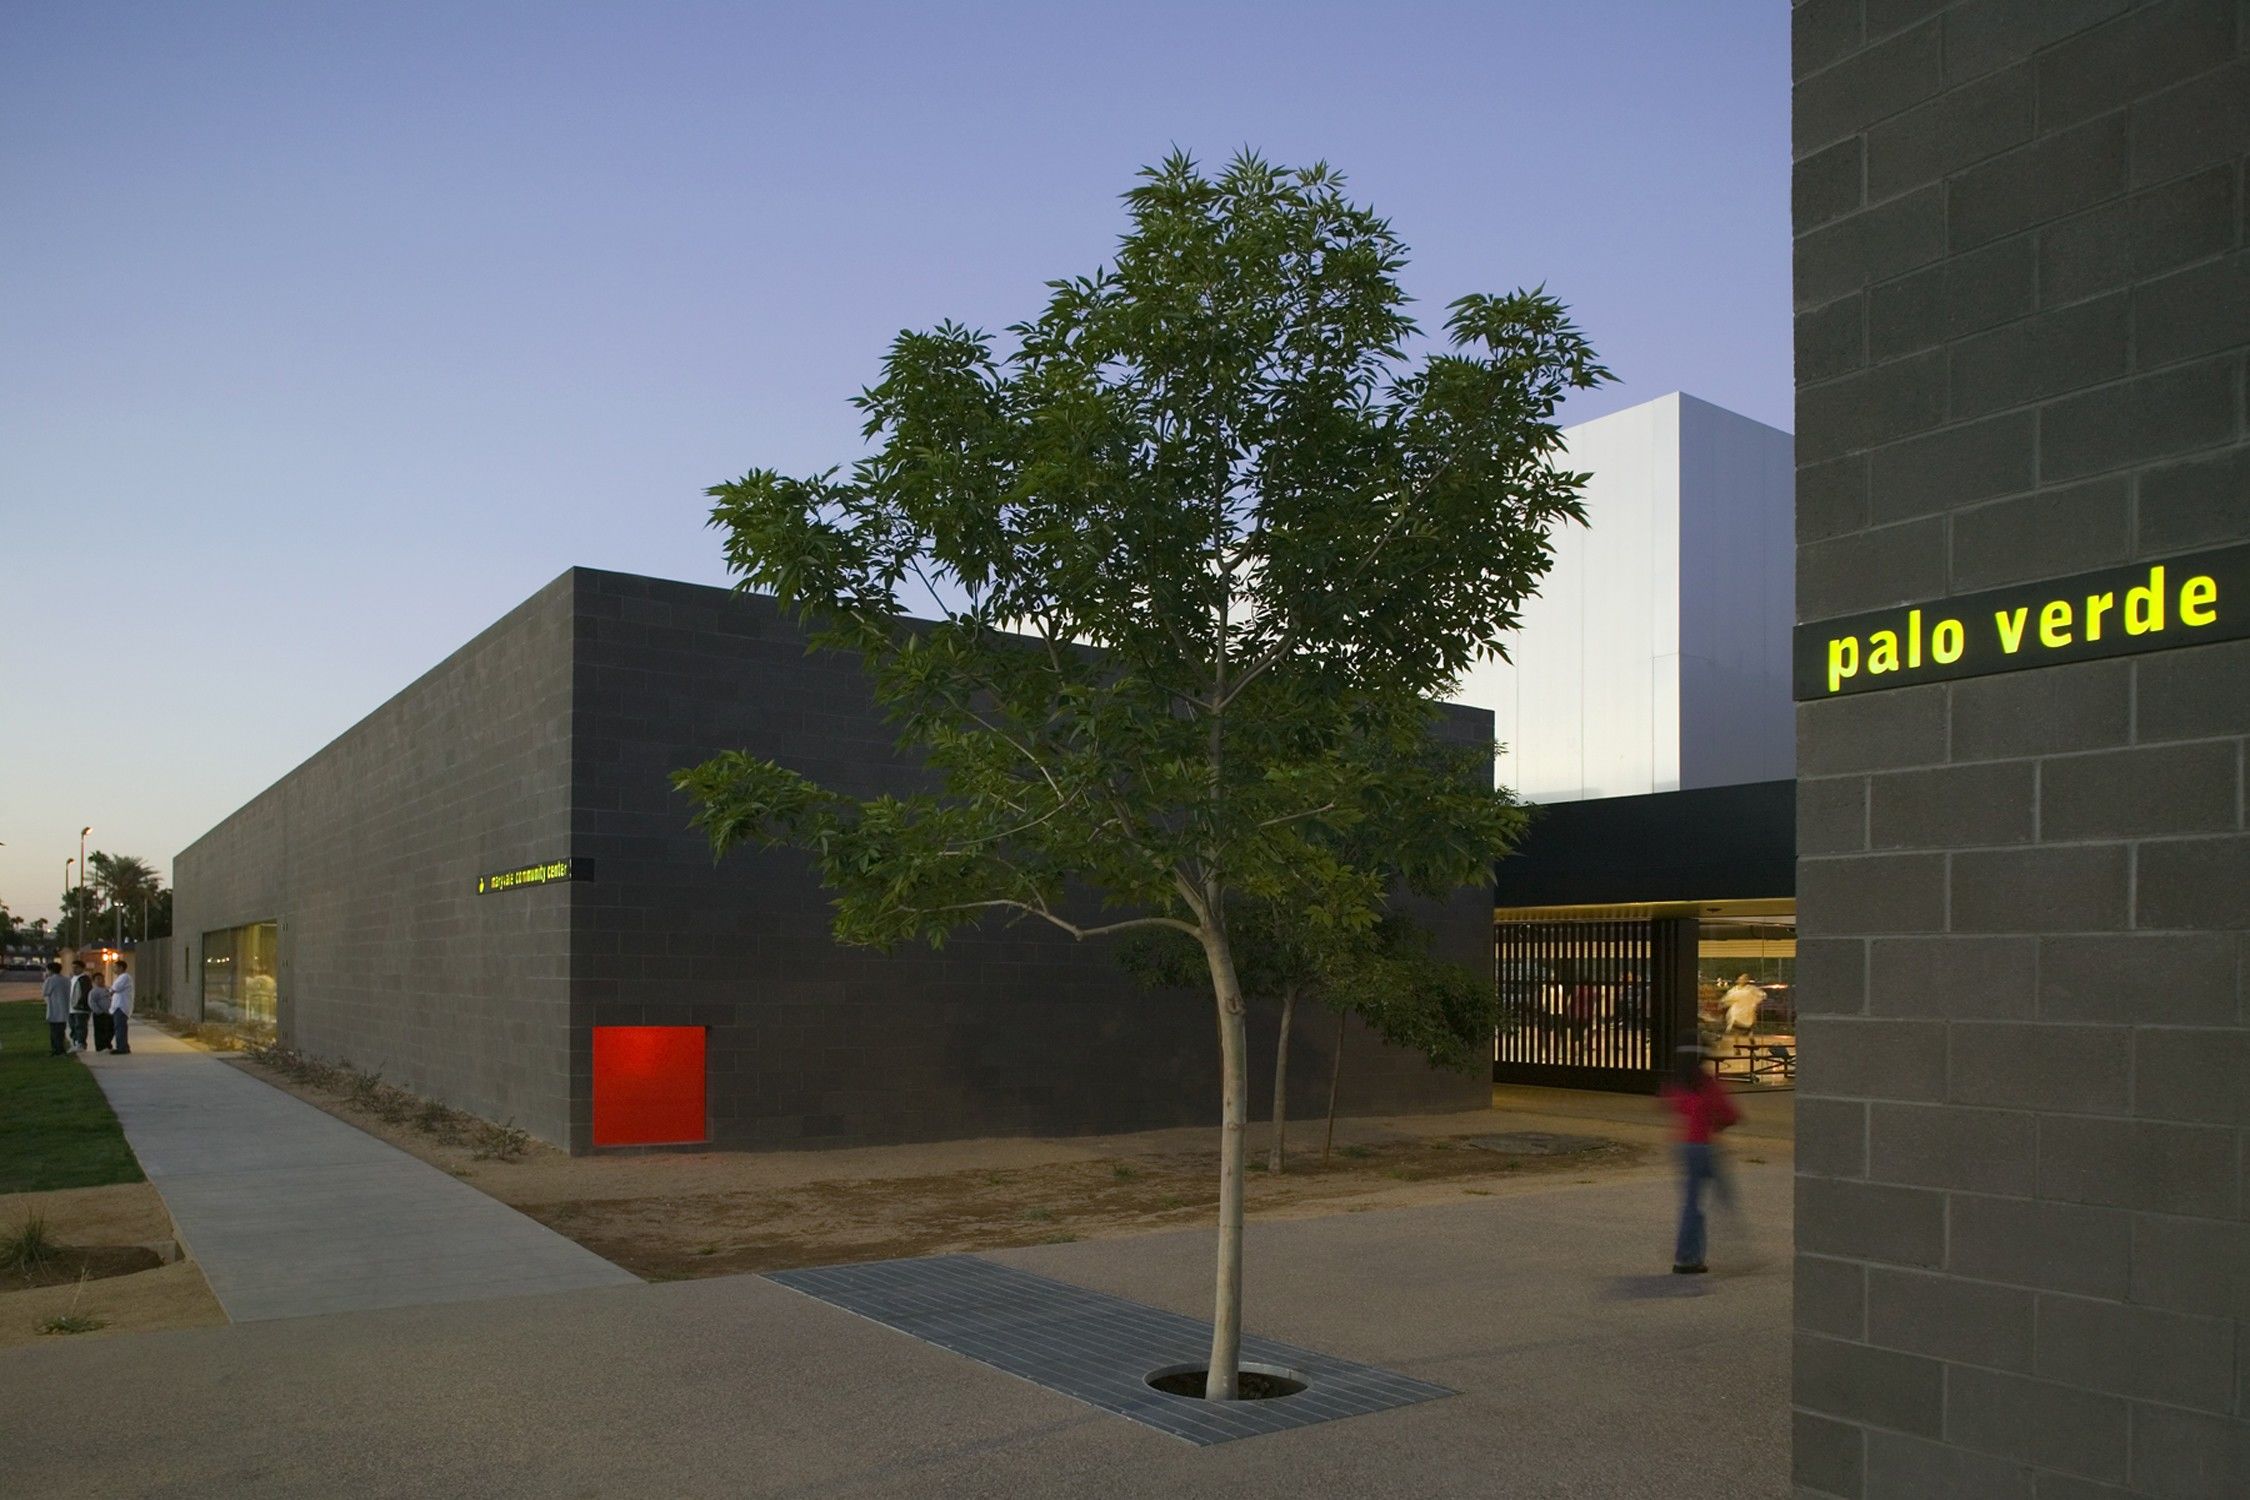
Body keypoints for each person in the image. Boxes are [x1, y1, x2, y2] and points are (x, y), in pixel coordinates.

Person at [1661, 1044, 1740, 1274]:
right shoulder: (1706, 1083)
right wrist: (1718, 1124)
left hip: (1682, 1146)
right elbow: (1729, 1114)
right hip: (1703, 1146)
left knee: (1691, 1202)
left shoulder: (1677, 1082)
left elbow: (1667, 1104)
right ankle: (1689, 1257)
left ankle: (1689, 1255)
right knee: (1704, 1200)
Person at [41, 961, 72, 1056]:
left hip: (54, 1010)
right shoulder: (66, 980)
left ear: (50, 970)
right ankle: (60, 1049)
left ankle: (57, 1050)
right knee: (61, 1031)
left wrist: (45, 979)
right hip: (64, 1008)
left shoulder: (50, 980)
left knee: (54, 1032)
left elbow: (45, 992)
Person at [109, 960, 134, 1054]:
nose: (113, 969)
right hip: (118, 1006)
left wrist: (110, 991)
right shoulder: (120, 977)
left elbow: (115, 988)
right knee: (119, 1027)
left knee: (120, 1028)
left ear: (121, 968)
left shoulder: (125, 977)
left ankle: (122, 1048)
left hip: (121, 1007)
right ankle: (123, 1046)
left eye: (115, 967)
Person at [66, 959, 92, 1052]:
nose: (74, 969)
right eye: (73, 967)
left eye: (76, 968)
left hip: (81, 1008)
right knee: (73, 1026)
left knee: (80, 1026)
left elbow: (85, 993)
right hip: (71, 1008)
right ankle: (75, 1042)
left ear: (82, 968)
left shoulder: (84, 979)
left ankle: (81, 1044)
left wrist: (80, 1003)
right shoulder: (73, 978)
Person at [88, 969, 114, 1053]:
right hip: (100, 1014)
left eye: (102, 978)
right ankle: (101, 1047)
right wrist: (99, 1011)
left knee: (110, 1030)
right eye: (98, 979)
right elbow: (92, 1003)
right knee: (100, 1031)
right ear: (94, 981)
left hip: (110, 1013)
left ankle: (108, 1045)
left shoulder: (108, 989)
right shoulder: (93, 991)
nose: (101, 980)